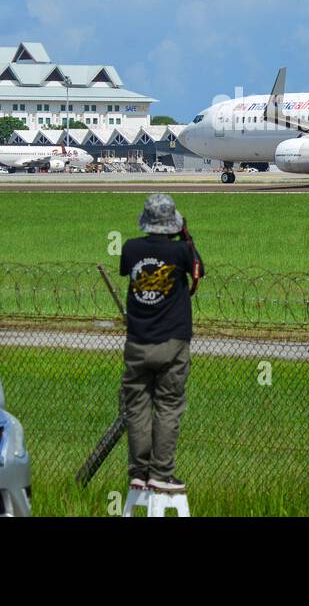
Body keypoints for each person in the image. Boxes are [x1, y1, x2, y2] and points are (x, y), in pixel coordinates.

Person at [118, 193, 204, 494]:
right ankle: (161, 472)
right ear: (173, 223)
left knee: (137, 407)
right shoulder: (181, 252)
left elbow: (127, 269)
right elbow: (198, 270)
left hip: (138, 342)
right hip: (173, 340)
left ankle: (138, 473)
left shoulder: (130, 248)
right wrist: (185, 236)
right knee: (168, 406)